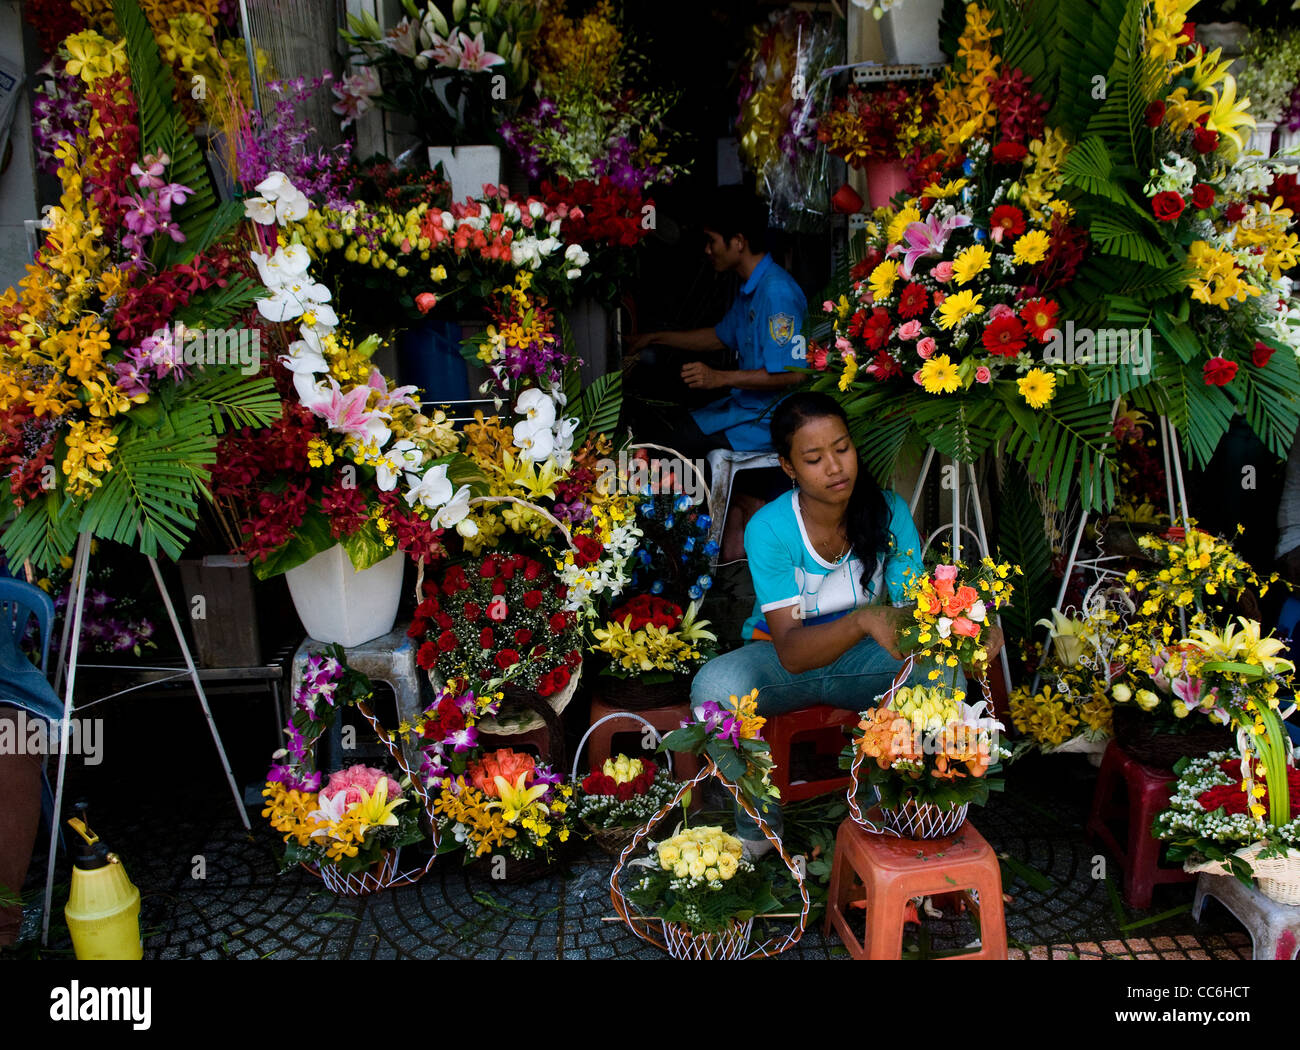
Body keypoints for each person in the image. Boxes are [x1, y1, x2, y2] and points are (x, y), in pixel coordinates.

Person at [690, 392, 1003, 851]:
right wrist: (863, 619)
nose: (835, 467)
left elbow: (915, 611)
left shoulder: (888, 511)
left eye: (842, 448)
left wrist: (971, 625)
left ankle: (895, 810)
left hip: (864, 664)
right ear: (789, 467)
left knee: (940, 670)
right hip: (778, 664)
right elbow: (793, 653)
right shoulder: (770, 528)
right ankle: (758, 829)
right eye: (814, 458)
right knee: (713, 693)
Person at [626, 186, 807, 463]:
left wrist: (719, 378)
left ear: (738, 242)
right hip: (744, 409)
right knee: (663, 426)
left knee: (666, 445)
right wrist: (654, 338)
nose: (707, 250)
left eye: (711, 241)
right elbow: (719, 336)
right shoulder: (752, 287)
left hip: (766, 422)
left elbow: (793, 375)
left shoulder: (776, 292)